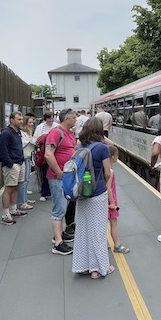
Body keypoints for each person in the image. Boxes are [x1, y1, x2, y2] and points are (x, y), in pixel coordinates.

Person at [71, 117, 115, 278]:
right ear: (99, 131)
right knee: (98, 231)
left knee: (83, 230)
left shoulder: (80, 146)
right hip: (97, 194)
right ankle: (99, 269)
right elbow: (107, 172)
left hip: (82, 194)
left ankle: (82, 266)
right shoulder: (102, 148)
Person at [44, 109, 78, 255]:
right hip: (58, 177)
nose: (76, 120)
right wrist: (58, 172)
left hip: (67, 177)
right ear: (67, 119)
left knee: (63, 206)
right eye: (74, 118)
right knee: (59, 209)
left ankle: (59, 234)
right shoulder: (56, 133)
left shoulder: (69, 133)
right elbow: (48, 154)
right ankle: (58, 243)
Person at [0, 111, 28, 226]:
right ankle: (5, 214)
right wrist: (9, 163)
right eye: (18, 119)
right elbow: (2, 150)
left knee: (16, 186)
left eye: (21, 119)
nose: (21, 121)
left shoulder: (18, 132)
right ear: (12, 120)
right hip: (12, 164)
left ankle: (13, 209)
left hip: (19, 162)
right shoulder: (6, 133)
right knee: (9, 188)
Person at [107, 145, 129, 254]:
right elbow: (108, 188)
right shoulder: (110, 171)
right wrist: (112, 203)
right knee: (114, 223)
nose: (117, 157)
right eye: (117, 155)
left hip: (104, 201)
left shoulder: (105, 169)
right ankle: (116, 245)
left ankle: (102, 243)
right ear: (112, 157)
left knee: (103, 223)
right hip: (110, 201)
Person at [34, 112, 59, 200]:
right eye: (49, 118)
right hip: (43, 153)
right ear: (45, 119)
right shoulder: (40, 127)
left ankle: (53, 191)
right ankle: (44, 193)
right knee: (44, 173)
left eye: (52, 118)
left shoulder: (57, 126)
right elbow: (35, 139)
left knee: (54, 172)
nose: (51, 120)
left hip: (55, 152)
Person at [17, 113, 37, 210]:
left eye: (32, 122)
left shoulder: (29, 132)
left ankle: (25, 199)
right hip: (24, 157)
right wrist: (30, 139)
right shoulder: (21, 133)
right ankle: (22, 202)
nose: (32, 124)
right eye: (30, 122)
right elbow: (23, 144)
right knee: (23, 181)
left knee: (27, 179)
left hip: (28, 157)